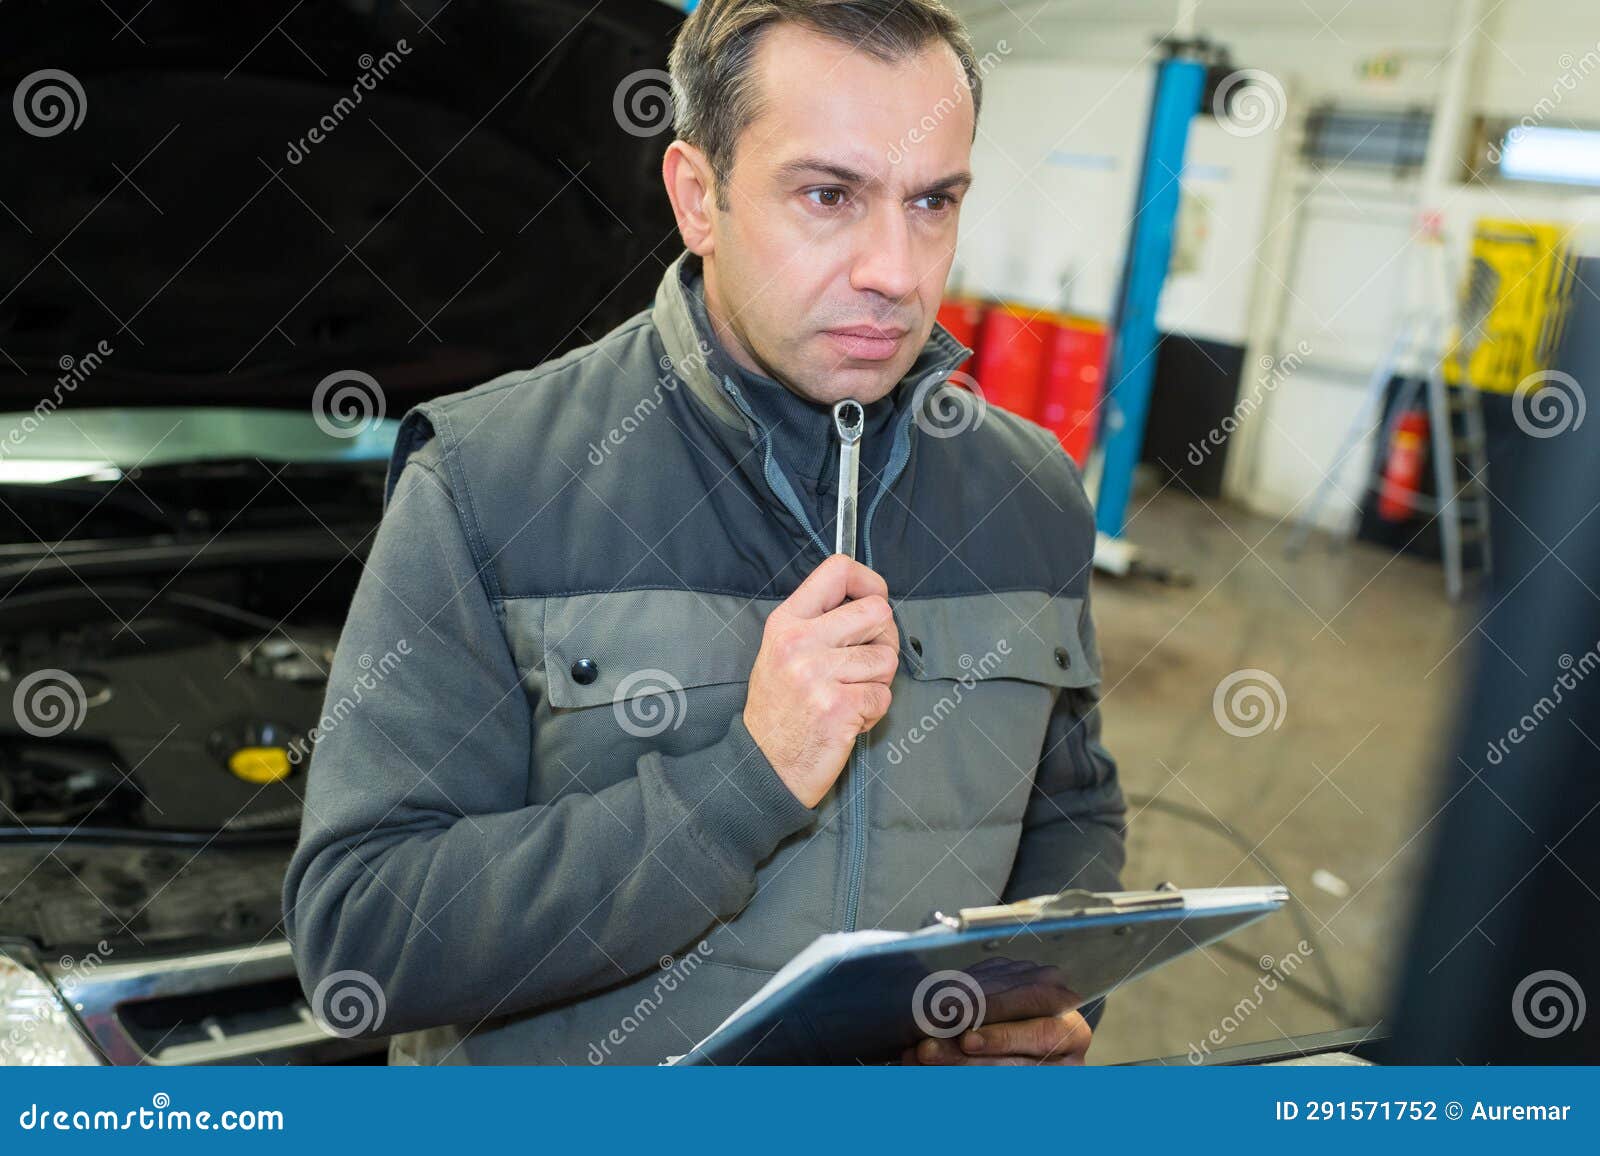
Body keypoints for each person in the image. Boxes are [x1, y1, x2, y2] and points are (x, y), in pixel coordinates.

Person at [284, 0, 1125, 1066]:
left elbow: (1074, 815)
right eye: (828, 195)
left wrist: (1028, 1005)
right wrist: (747, 779)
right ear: (697, 197)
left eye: (931, 202)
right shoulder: (489, 480)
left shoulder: (1031, 494)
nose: (896, 270)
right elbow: (361, 934)